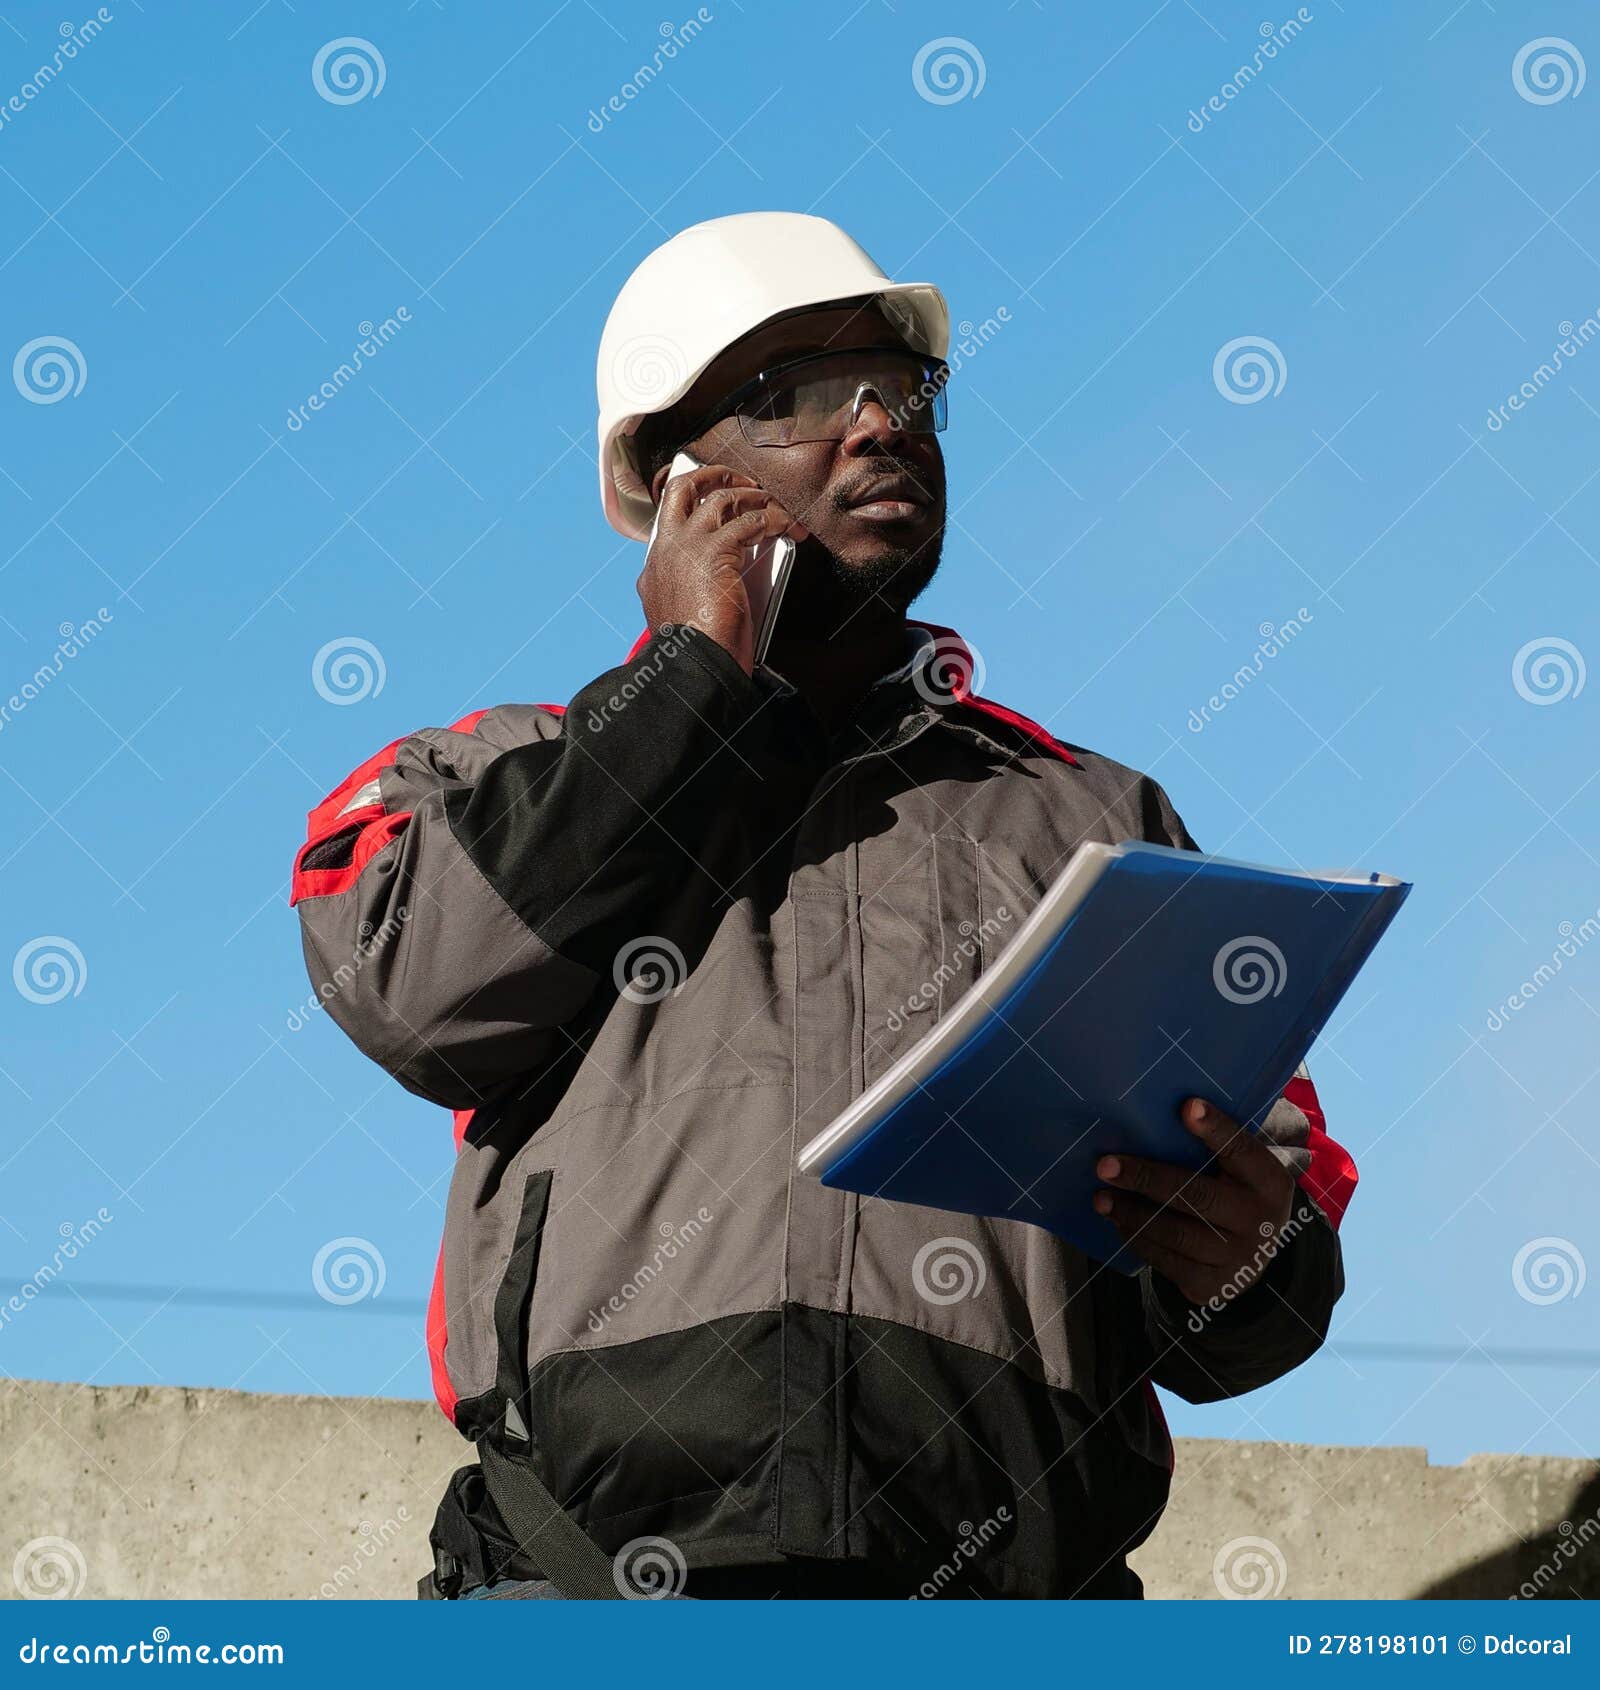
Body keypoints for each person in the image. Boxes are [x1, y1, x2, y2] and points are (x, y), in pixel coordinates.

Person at [291, 212, 1353, 1600]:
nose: (878, 425)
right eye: (795, 394)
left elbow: (1262, 1228)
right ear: (680, 484)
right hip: (588, 1599)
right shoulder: (484, 775)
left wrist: (1255, 1258)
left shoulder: (1096, 821)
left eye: (901, 390)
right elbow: (411, 987)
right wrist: (683, 690)